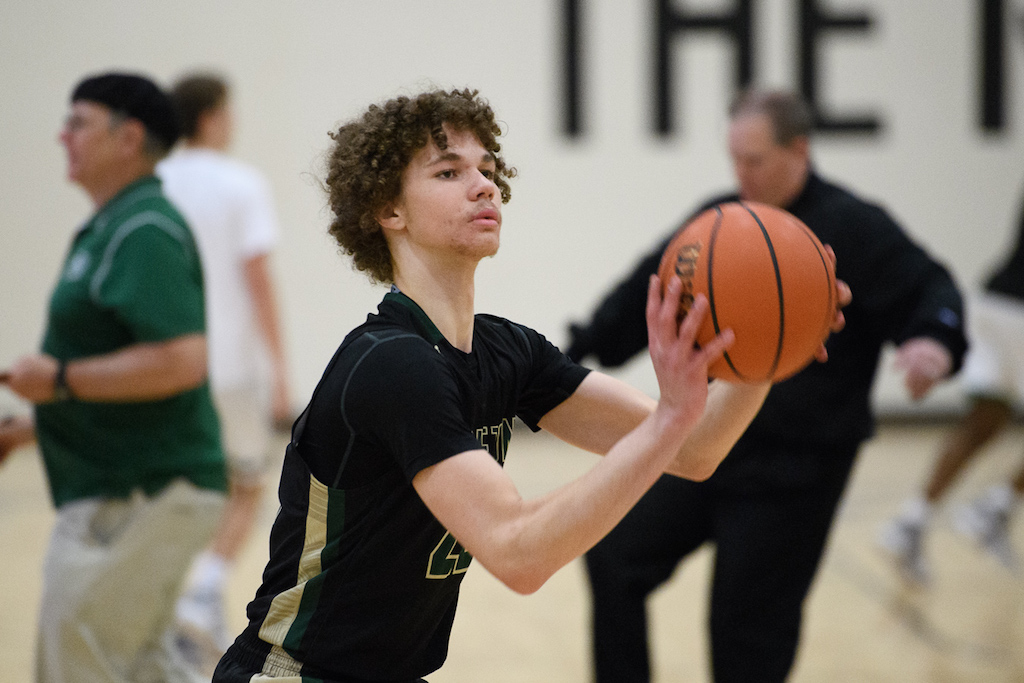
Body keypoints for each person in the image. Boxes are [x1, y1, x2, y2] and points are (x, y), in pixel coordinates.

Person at [211, 87, 846, 683]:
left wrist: (770, 351)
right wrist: (667, 421)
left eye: (487, 168)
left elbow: (696, 451)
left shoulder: (507, 352)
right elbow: (517, 553)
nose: (483, 184)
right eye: (449, 172)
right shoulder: (390, 364)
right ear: (389, 210)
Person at [565, 89, 968, 683]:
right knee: (614, 555)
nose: (741, 174)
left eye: (754, 159)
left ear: (799, 149)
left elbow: (931, 288)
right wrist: (576, 349)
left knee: (745, 635)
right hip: (708, 447)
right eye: (734, 159)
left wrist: (933, 341)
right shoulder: (721, 222)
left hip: (798, 467)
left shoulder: (853, 225)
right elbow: (647, 290)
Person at [0, 73, 227, 682]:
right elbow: (122, 376)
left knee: (79, 665)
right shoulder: (115, 225)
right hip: (133, 488)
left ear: (128, 138)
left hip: (143, 492)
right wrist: (32, 427)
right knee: (140, 669)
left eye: (78, 123)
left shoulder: (143, 229)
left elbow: (181, 360)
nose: (62, 136)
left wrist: (59, 378)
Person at [157, 72, 292, 663]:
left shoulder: (154, 182)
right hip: (231, 367)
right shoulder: (242, 184)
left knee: (174, 491)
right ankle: (203, 591)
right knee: (247, 484)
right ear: (212, 116)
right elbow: (257, 278)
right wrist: (281, 372)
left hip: (165, 369)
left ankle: (171, 606)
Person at [878, 191, 1024, 583]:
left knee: (985, 420)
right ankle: (997, 505)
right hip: (1017, 311)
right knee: (985, 420)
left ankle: (912, 521)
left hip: (997, 301)